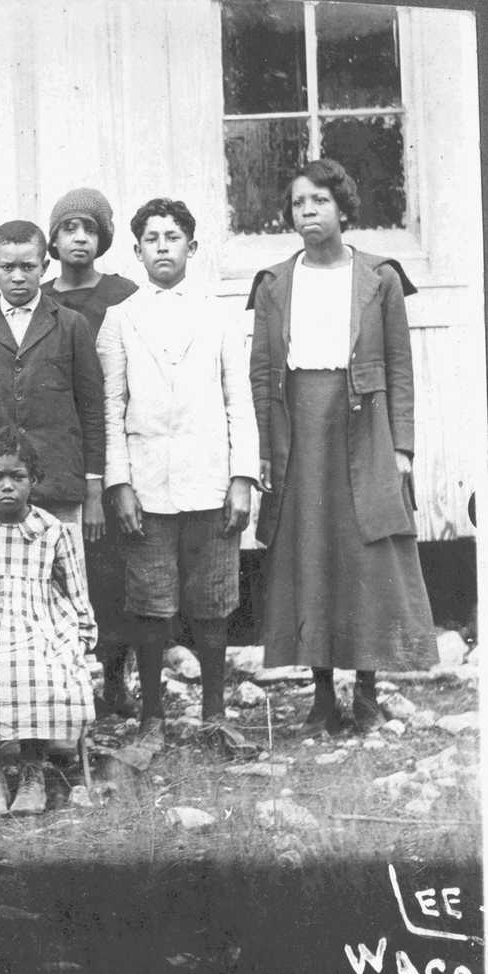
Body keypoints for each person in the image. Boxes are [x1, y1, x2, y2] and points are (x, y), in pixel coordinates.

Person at [247, 158, 437, 734]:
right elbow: (262, 372)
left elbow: (400, 367)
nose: (308, 211)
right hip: (298, 425)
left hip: (365, 424)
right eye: (299, 203)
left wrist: (401, 446)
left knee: (366, 552)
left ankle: (370, 693)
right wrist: (261, 448)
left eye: (320, 201)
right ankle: (323, 694)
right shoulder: (276, 283)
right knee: (311, 552)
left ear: (343, 209)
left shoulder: (379, 277)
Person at [98, 198, 257, 750]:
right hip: (148, 486)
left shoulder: (218, 315)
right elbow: (111, 405)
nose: (162, 246)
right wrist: (119, 484)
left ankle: (214, 715)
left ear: (192, 246)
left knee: (214, 601)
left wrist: (242, 478)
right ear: (137, 249)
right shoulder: (120, 318)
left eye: (173, 237)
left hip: (211, 482)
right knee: (150, 603)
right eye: (152, 238)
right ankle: (151, 720)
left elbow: (241, 401)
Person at [0, 430, 94, 817]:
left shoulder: (50, 530)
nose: (7, 486)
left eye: (18, 477)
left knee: (39, 665)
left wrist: (83, 630)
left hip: (36, 617)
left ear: (34, 481)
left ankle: (31, 771)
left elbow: (75, 589)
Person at [0, 221, 105, 569]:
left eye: (28, 267)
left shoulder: (71, 325)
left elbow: (92, 409)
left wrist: (93, 489)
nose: (18, 276)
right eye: (7, 267)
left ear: (45, 267)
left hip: (58, 482)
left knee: (61, 576)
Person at [40, 189, 140, 716]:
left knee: (109, 568)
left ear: (103, 238)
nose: (80, 237)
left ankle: (116, 678)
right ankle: (63, 681)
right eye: (69, 228)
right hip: (57, 448)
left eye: (90, 228)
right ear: (52, 240)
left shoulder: (124, 295)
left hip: (114, 446)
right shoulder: (36, 299)